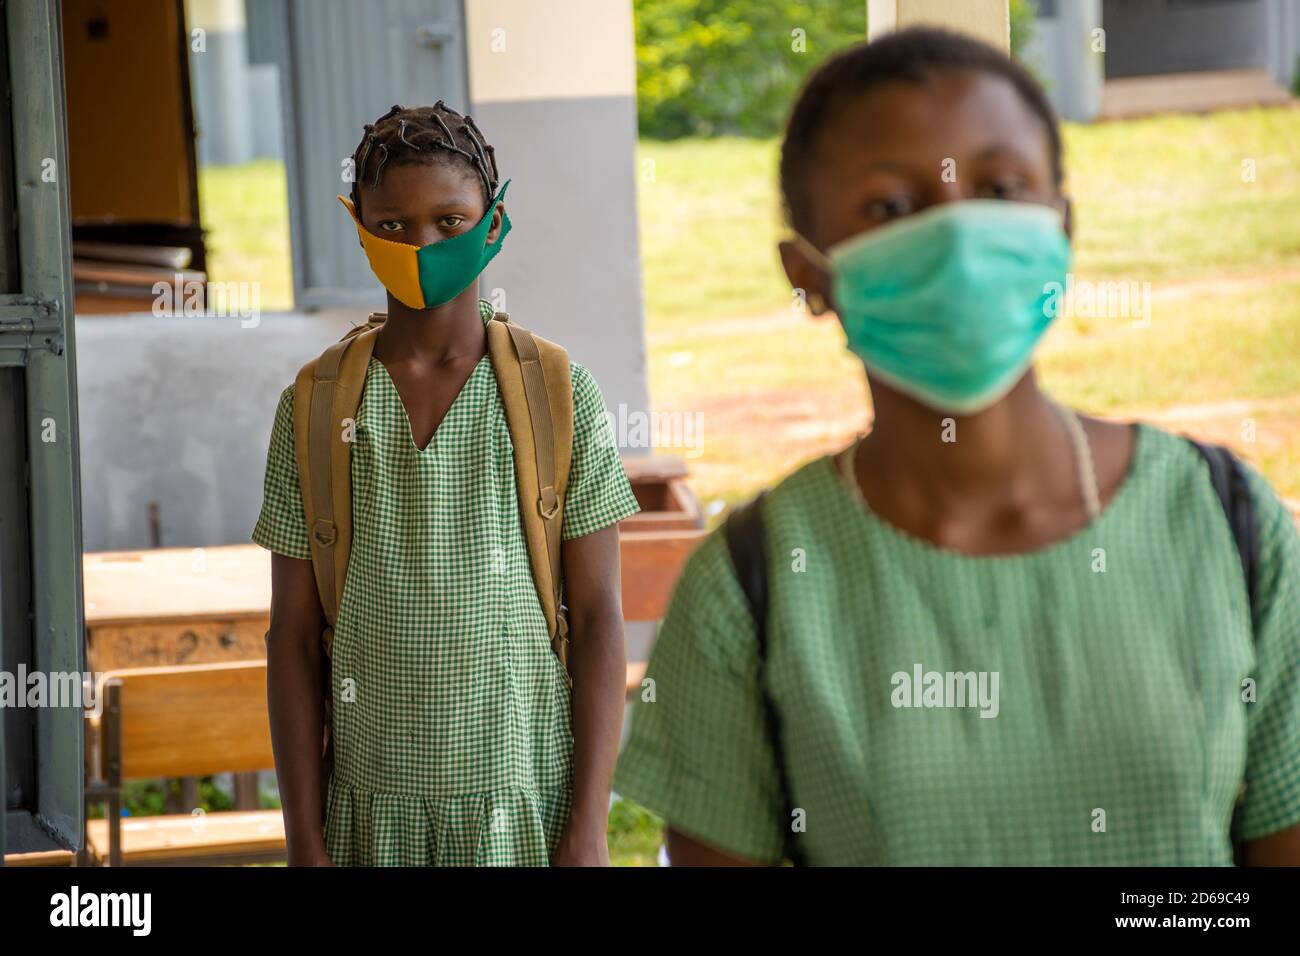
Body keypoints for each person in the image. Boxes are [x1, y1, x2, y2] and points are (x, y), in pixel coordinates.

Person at [613, 28, 1300, 866]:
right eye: (891, 207)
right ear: (809, 275)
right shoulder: (755, 586)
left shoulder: (1228, 527)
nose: (960, 238)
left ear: (1062, 228)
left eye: (1000, 188)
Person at [254, 103, 640, 866]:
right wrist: (304, 840)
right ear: (358, 224)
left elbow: (598, 619)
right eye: (392, 225)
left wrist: (588, 831)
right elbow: (292, 638)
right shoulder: (317, 405)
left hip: (524, 804)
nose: (421, 244)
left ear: (493, 222)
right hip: (370, 815)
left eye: (449, 221)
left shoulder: (557, 394)